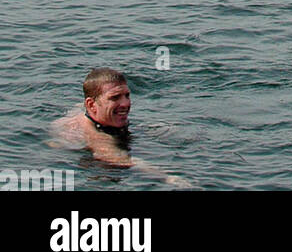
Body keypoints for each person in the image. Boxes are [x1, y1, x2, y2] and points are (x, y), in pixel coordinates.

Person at [50, 68, 189, 184]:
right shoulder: (94, 135)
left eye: (127, 95)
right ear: (91, 105)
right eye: (115, 98)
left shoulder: (85, 110)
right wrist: (169, 178)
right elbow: (124, 160)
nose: (125, 103)